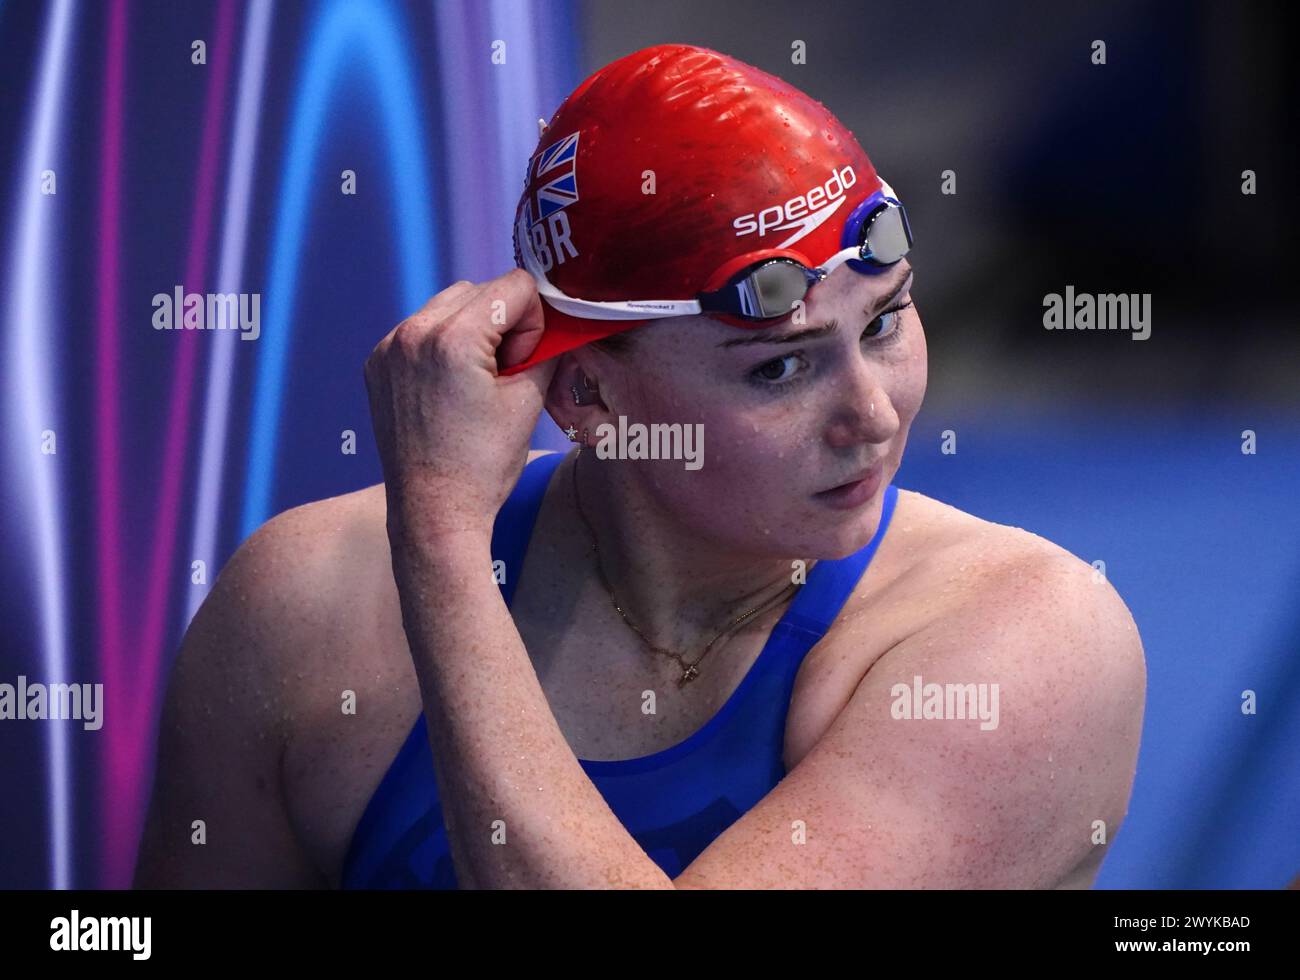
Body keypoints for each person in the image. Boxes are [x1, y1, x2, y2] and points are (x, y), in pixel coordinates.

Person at [134, 44, 1145, 889]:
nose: (873, 414)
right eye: (781, 366)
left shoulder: (1029, 639)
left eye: (884, 322)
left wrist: (441, 547)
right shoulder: (305, 608)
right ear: (583, 397)